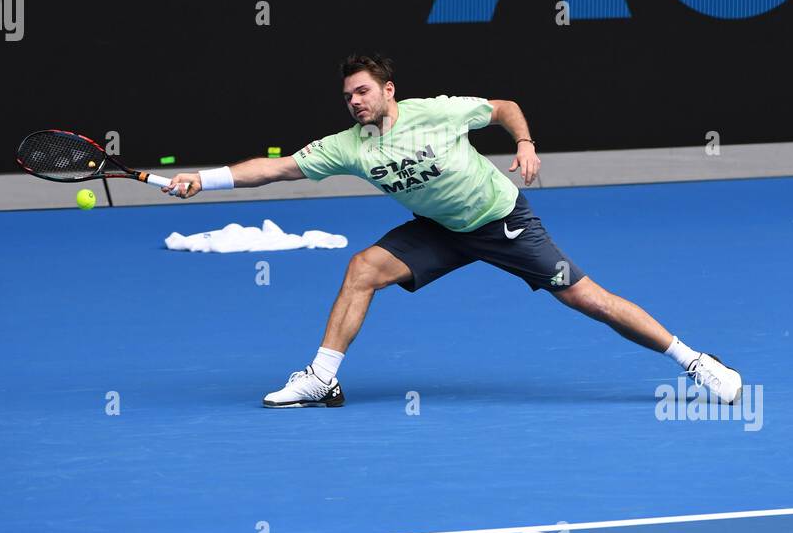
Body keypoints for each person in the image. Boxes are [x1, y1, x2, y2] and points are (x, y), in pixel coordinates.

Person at [165, 53, 742, 410]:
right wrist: (204, 180)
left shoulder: (438, 111)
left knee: (587, 298)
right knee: (362, 268)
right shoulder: (348, 146)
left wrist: (524, 144)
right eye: (346, 96)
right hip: (439, 229)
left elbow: (505, 106)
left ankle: (695, 361)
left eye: (362, 91)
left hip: (503, 222)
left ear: (389, 89)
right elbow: (277, 168)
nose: (354, 102)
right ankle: (322, 380)